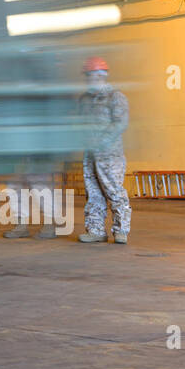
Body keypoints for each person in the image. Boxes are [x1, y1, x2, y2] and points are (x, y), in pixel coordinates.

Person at [77, 57, 130, 244]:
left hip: (110, 155)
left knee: (114, 192)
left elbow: (120, 123)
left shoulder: (115, 97)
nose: (89, 80)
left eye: (92, 76)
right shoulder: (84, 99)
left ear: (101, 76)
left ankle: (121, 230)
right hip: (90, 154)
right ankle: (96, 230)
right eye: (88, 76)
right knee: (93, 193)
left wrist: (102, 142)